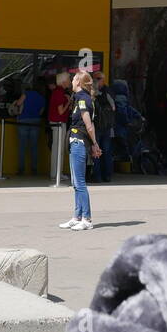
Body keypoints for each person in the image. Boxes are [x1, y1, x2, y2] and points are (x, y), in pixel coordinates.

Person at [59, 70, 101, 230]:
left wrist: (95, 144)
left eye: (74, 78)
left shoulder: (83, 100)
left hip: (79, 142)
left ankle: (87, 219)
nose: (71, 80)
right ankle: (77, 217)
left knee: (80, 182)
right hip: (75, 142)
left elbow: (89, 125)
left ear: (79, 82)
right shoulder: (79, 99)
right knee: (75, 182)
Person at [9, 83, 45, 176]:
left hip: (24, 121)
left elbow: (18, 104)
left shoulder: (26, 94)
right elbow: (41, 111)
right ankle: (34, 169)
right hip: (36, 121)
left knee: (22, 146)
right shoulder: (41, 97)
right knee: (34, 147)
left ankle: (21, 169)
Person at [91, 72, 115, 183]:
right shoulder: (106, 91)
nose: (95, 80)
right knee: (103, 151)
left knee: (101, 151)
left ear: (102, 80)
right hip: (103, 126)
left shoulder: (103, 92)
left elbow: (113, 108)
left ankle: (102, 176)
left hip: (102, 127)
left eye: (97, 78)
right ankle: (102, 176)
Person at [47, 71, 72, 181]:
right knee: (58, 149)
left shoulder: (58, 92)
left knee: (57, 148)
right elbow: (61, 111)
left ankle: (56, 173)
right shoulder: (59, 92)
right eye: (68, 80)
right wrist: (69, 102)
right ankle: (57, 173)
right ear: (63, 81)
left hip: (57, 123)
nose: (70, 82)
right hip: (59, 123)